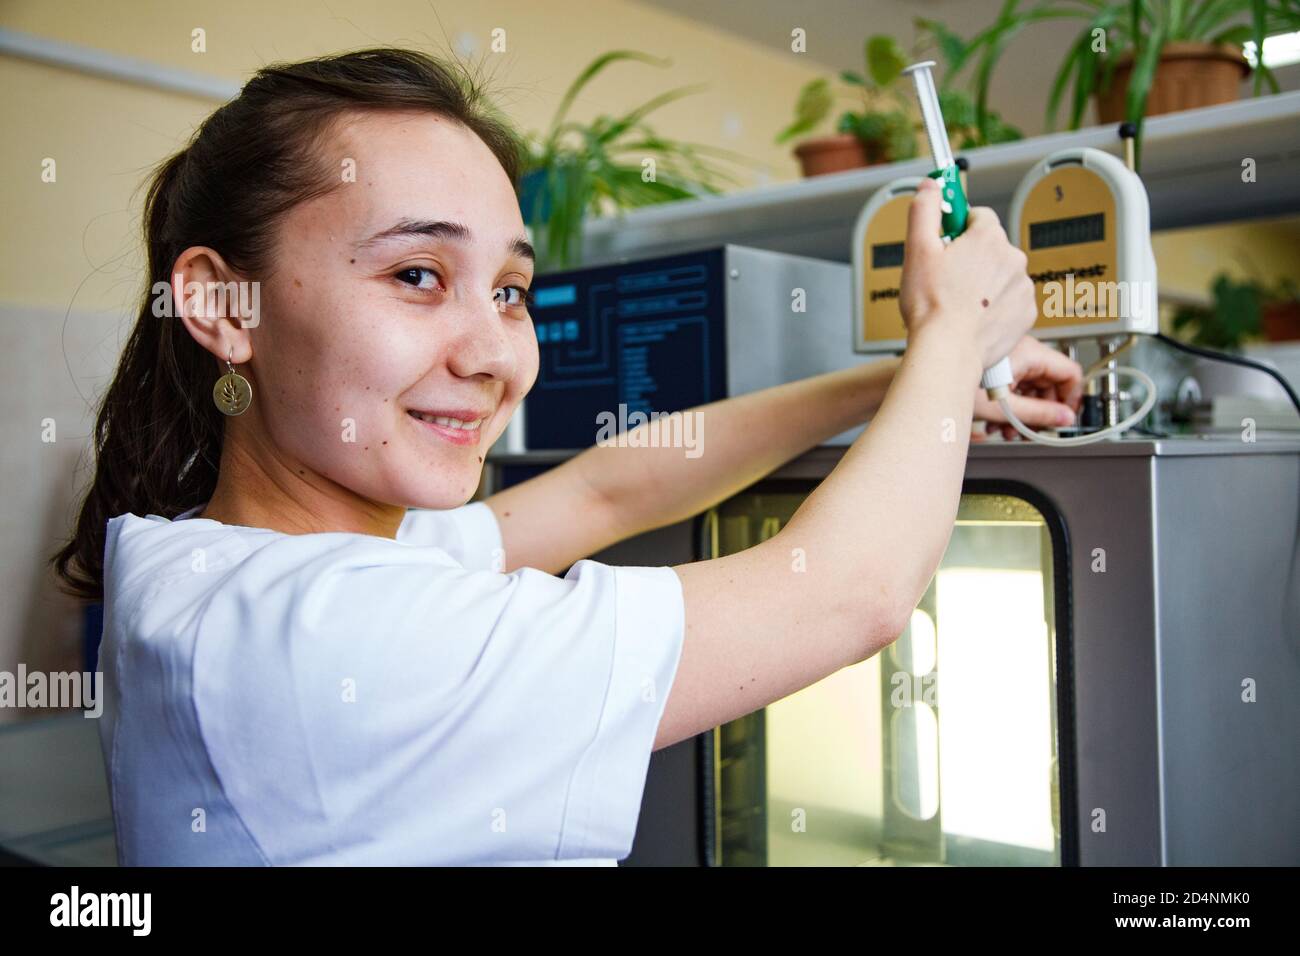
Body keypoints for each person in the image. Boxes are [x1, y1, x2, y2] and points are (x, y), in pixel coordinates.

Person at [51, 48, 1082, 866]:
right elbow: (850, 594)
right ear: (225, 304)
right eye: (417, 273)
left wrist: (904, 381)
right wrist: (952, 335)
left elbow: (604, 486)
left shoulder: (220, 563)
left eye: (508, 289)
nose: (496, 352)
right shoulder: (339, 639)